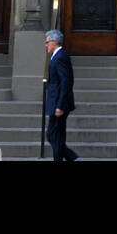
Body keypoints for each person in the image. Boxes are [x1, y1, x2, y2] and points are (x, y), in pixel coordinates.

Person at [44, 29, 79, 162]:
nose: (46, 45)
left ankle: (72, 157)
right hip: (58, 102)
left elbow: (66, 83)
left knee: (53, 135)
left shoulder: (60, 57)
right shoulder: (57, 56)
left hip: (59, 104)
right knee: (56, 136)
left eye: (47, 42)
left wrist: (60, 106)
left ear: (54, 42)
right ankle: (71, 158)